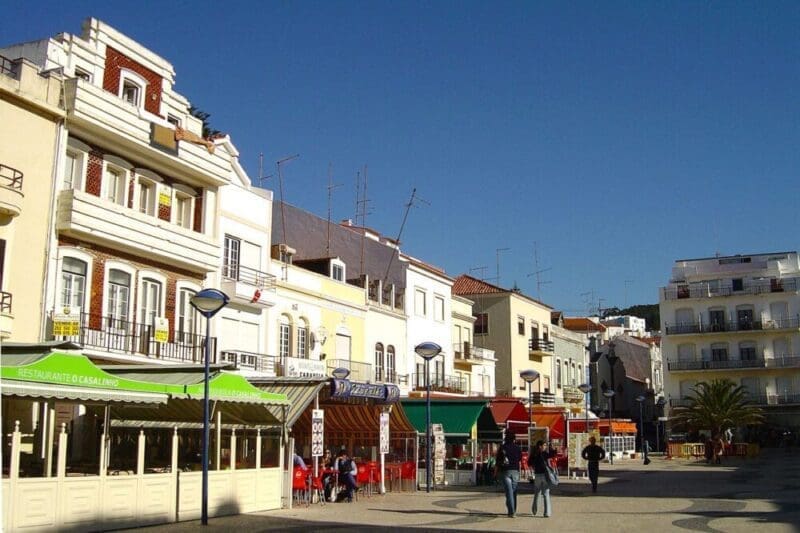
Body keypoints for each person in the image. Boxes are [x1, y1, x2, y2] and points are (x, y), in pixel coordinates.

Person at [494, 430, 522, 517]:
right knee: (513, 492)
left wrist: (495, 473)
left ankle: (511, 511)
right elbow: (519, 459)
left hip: (505, 471)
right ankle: (513, 510)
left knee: (509, 492)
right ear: (514, 439)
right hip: (515, 472)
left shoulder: (502, 448)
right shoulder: (517, 448)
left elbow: (498, 461)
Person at [531, 440, 556, 517]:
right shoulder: (544, 454)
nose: (545, 447)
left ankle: (534, 510)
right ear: (540, 446)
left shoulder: (534, 454)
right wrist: (551, 446)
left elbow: (529, 463)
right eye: (544, 445)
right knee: (546, 494)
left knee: (536, 493)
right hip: (545, 475)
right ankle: (547, 512)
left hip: (537, 475)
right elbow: (553, 454)